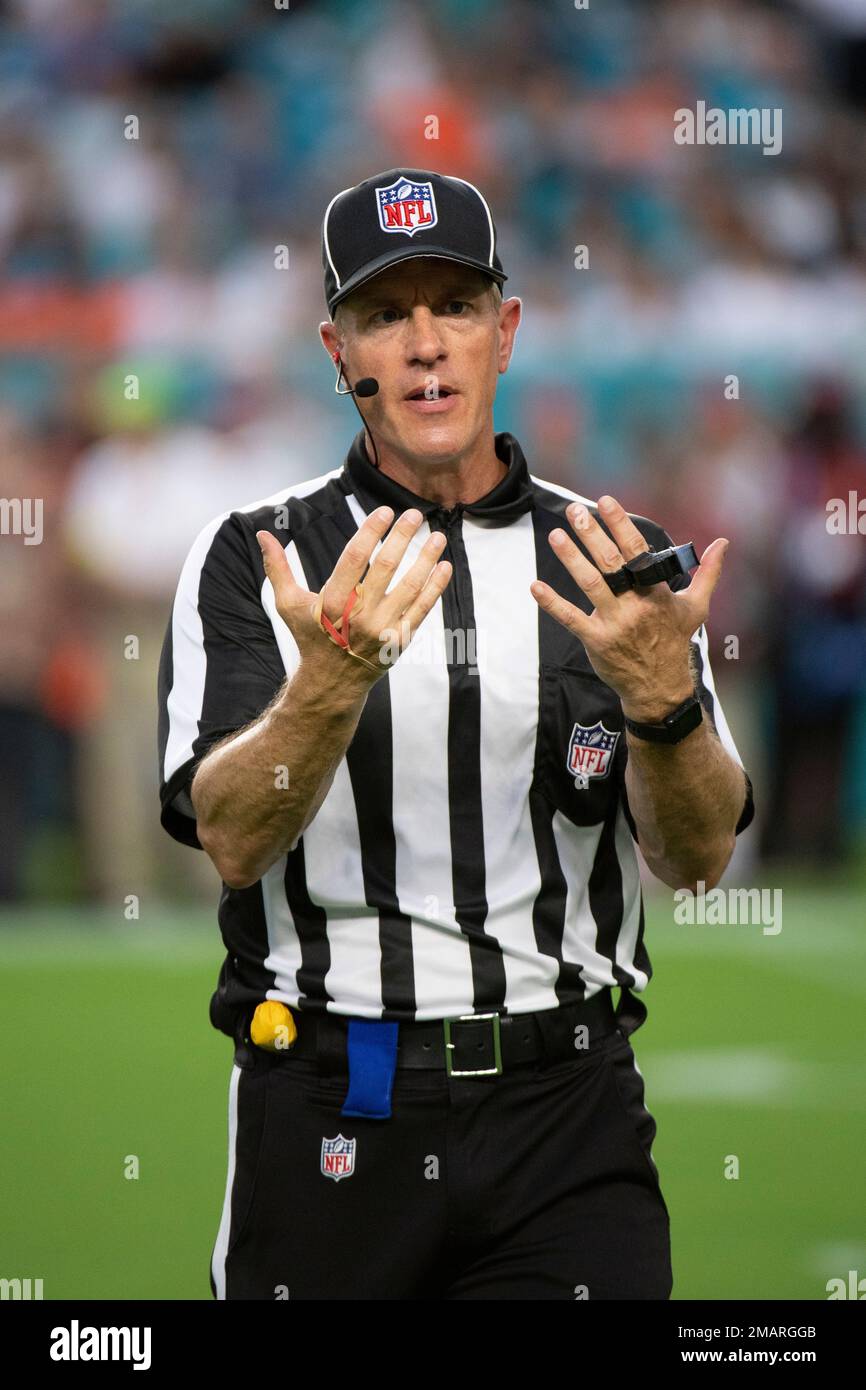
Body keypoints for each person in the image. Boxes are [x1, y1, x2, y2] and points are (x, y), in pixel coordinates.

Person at [157, 168, 754, 1300]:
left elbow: (696, 856)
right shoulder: (256, 554)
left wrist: (663, 705)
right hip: (336, 1095)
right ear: (338, 353)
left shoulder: (609, 557)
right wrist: (329, 680)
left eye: (456, 305)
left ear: (505, 330)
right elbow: (230, 839)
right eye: (386, 312)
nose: (426, 343)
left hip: (563, 1112)